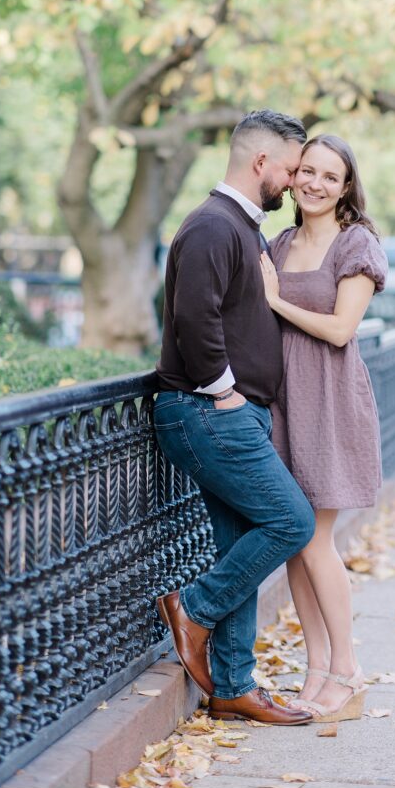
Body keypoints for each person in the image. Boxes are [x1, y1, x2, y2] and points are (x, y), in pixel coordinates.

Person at [153, 109, 316, 726]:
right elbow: (195, 321)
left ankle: (232, 686)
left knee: (239, 540)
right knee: (290, 521)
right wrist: (225, 392)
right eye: (292, 168)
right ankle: (193, 607)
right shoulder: (212, 227)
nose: (295, 182)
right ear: (260, 164)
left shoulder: (242, 229)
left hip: (225, 414)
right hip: (207, 412)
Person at [259, 134, 388, 723]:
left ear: (345, 187)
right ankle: (317, 668)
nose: (313, 183)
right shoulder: (280, 243)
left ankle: (349, 668)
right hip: (284, 401)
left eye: (328, 176)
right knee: (294, 541)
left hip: (330, 402)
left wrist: (274, 301)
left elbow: (341, 330)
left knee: (315, 538)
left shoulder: (356, 243)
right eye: (306, 171)